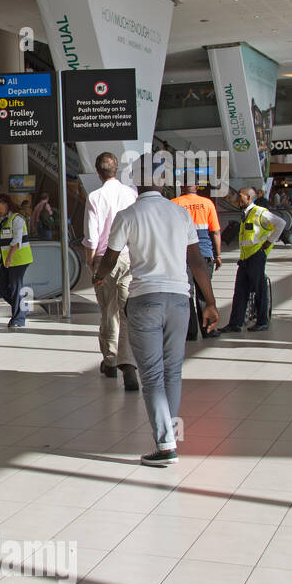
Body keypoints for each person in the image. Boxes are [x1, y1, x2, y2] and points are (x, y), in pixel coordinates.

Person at [95, 177, 219, 466]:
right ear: (163, 186)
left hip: (145, 299)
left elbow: (111, 258)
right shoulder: (180, 213)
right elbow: (197, 262)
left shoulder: (128, 215)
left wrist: (99, 275)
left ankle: (165, 445)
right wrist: (210, 302)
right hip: (179, 300)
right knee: (172, 372)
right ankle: (170, 437)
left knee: (151, 375)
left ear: (138, 186)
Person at [84, 152, 139, 391]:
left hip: (105, 259)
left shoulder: (95, 197)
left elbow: (91, 236)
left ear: (98, 172)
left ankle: (111, 360)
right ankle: (128, 363)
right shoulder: (131, 194)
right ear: (116, 169)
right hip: (128, 256)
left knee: (108, 311)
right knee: (126, 310)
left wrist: (91, 264)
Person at [221, 186, 287, 334]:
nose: (238, 198)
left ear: (249, 198)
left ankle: (262, 321)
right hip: (245, 258)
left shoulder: (259, 212)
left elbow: (280, 223)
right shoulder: (246, 214)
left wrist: (270, 241)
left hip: (256, 256)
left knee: (260, 290)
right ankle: (235, 323)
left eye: (240, 196)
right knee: (240, 291)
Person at [171, 184, 223, 341]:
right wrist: (218, 255)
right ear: (197, 187)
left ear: (181, 187)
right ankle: (208, 329)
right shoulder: (207, 203)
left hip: (183, 255)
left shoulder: (174, 203)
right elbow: (215, 232)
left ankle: (190, 331)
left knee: (187, 292)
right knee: (203, 292)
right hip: (204, 252)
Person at [0, 195, 32, 329]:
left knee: (16, 288)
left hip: (18, 259)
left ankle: (18, 319)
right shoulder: (3, 220)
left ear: (6, 204)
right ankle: (22, 309)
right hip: (7, 260)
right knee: (1, 285)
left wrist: (9, 257)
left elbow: (16, 241)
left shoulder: (17, 219)